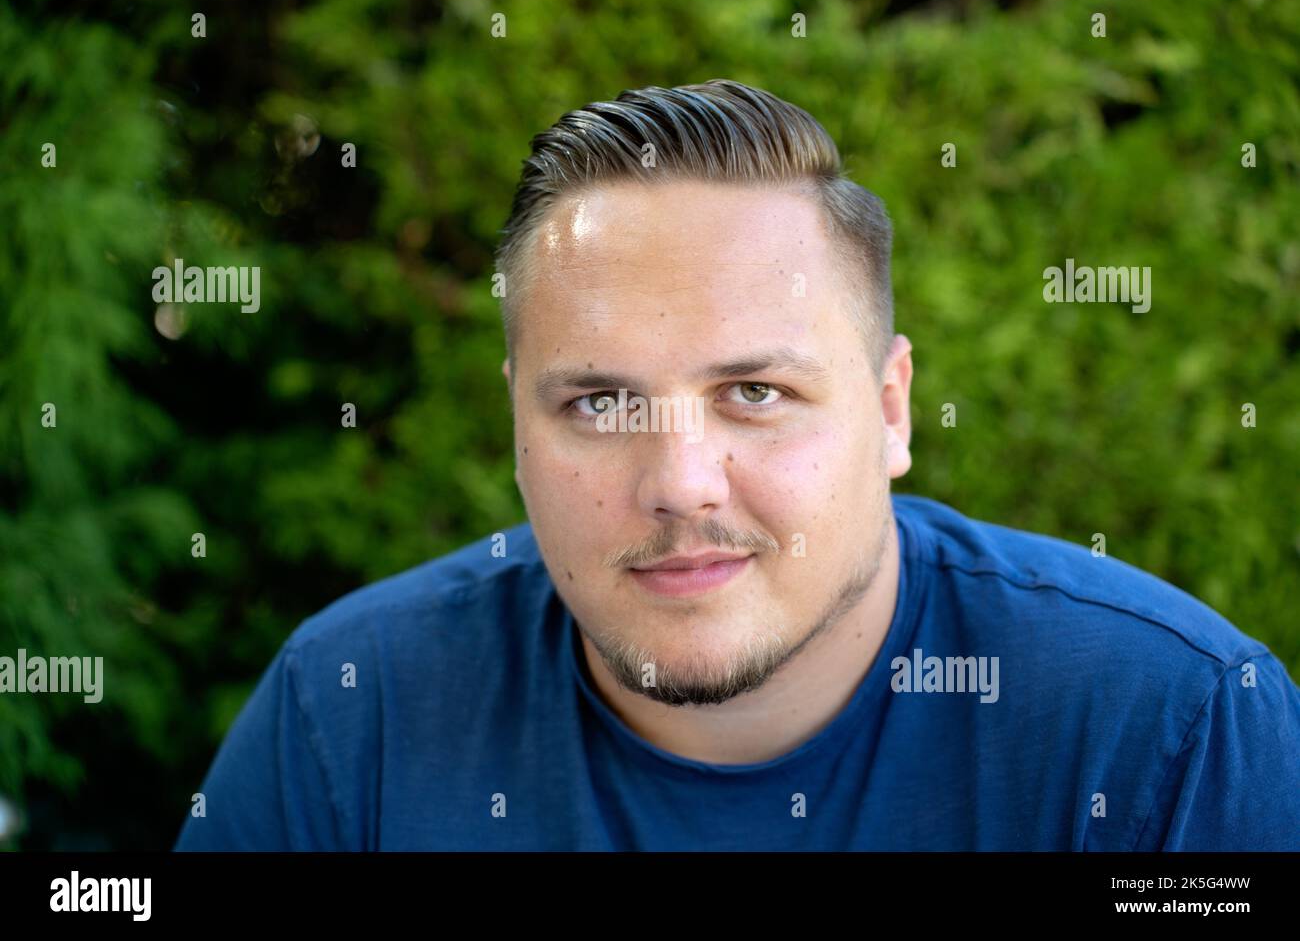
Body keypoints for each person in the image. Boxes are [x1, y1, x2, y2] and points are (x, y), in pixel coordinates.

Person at [175, 79, 1300, 850]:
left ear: (891, 408)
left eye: (754, 392)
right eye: (600, 399)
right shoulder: (349, 719)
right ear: (517, 426)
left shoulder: (1171, 731)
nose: (680, 479)